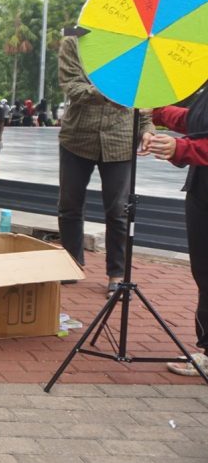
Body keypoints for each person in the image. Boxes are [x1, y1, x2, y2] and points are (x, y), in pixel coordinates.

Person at [57, 35, 153, 297]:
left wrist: (147, 129)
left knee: (119, 211)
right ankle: (71, 263)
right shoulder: (74, 42)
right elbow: (72, 87)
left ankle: (117, 275)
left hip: (120, 139)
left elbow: (144, 97)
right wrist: (109, 93)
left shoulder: (139, 45)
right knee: (69, 205)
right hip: (77, 137)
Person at [146, 84, 208, 376]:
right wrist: (157, 113)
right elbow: (195, 119)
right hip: (201, 192)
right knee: (204, 273)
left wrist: (181, 148)